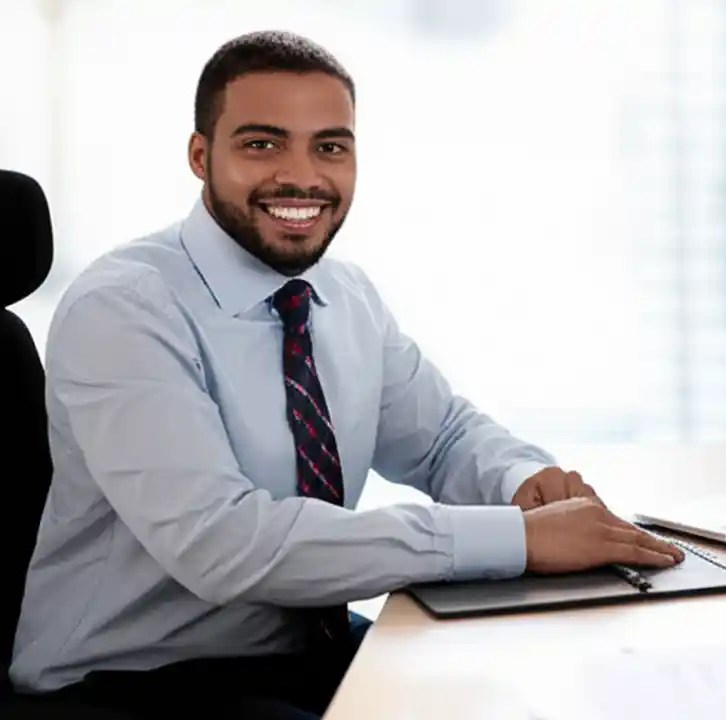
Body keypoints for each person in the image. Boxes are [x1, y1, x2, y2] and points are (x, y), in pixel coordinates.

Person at [9, 30, 683, 719]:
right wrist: (514, 541)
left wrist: (522, 486)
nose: (302, 176)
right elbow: (221, 544)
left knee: (530, 691)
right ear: (200, 155)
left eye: (329, 146)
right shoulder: (122, 308)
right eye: (262, 144)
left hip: (298, 654)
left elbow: (441, 438)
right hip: (129, 683)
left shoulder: (342, 294)